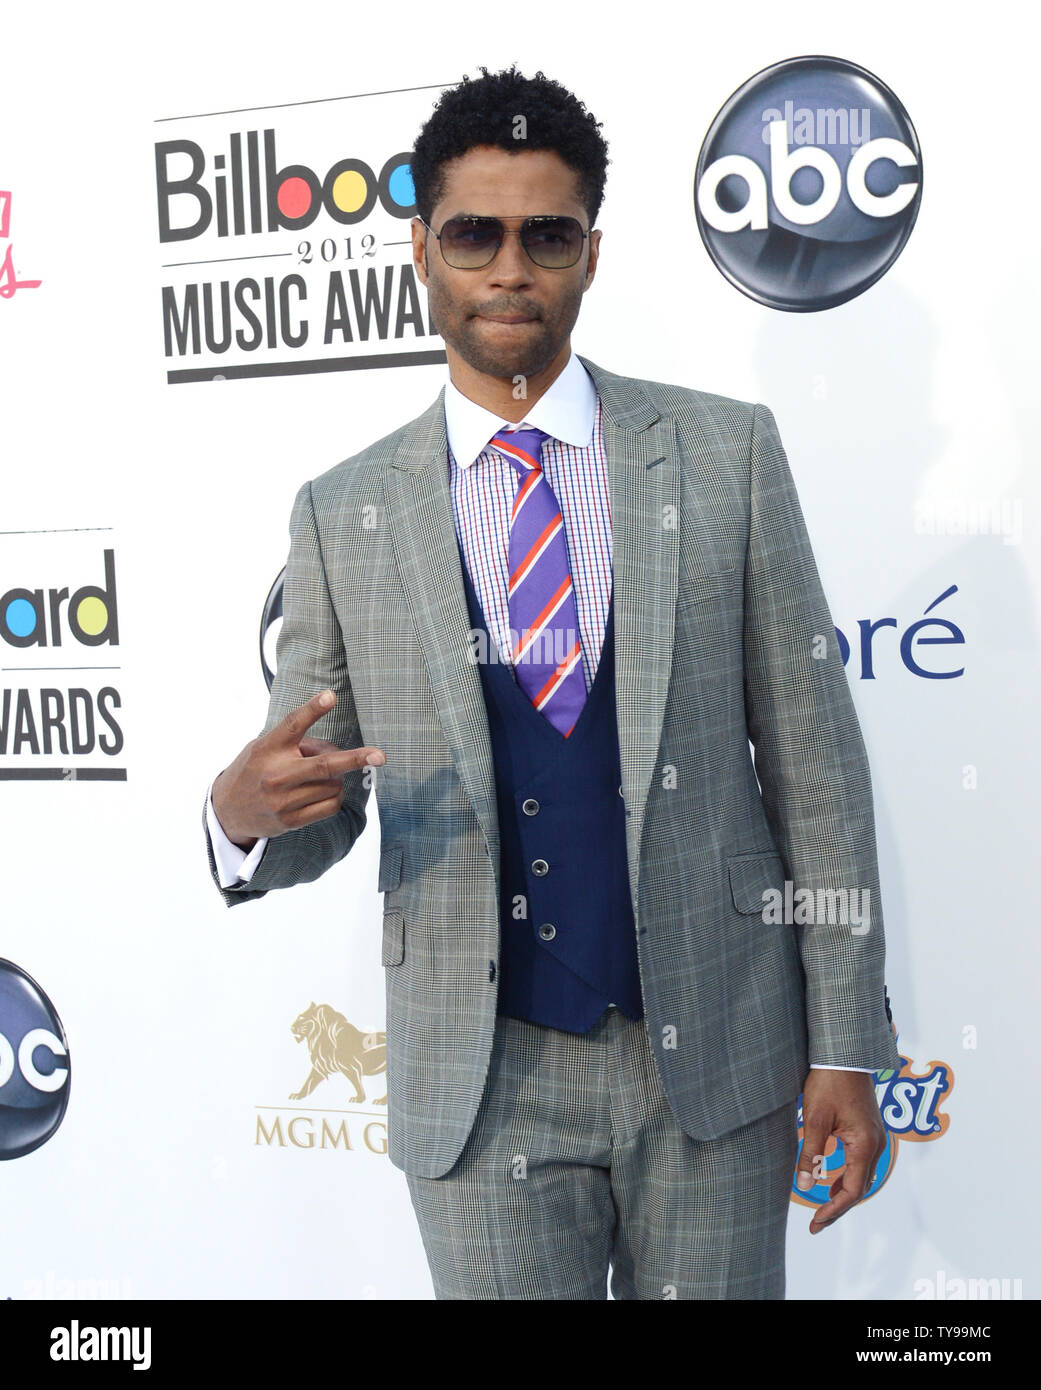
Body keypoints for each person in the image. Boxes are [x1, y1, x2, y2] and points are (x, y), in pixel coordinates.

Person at [203, 64, 900, 1300]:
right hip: (482, 1084)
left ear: (591, 252)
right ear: (422, 246)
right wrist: (243, 819)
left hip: (718, 1058)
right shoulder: (343, 513)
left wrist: (847, 1039)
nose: (509, 267)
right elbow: (317, 797)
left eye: (547, 234)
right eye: (475, 233)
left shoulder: (726, 454)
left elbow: (818, 771)